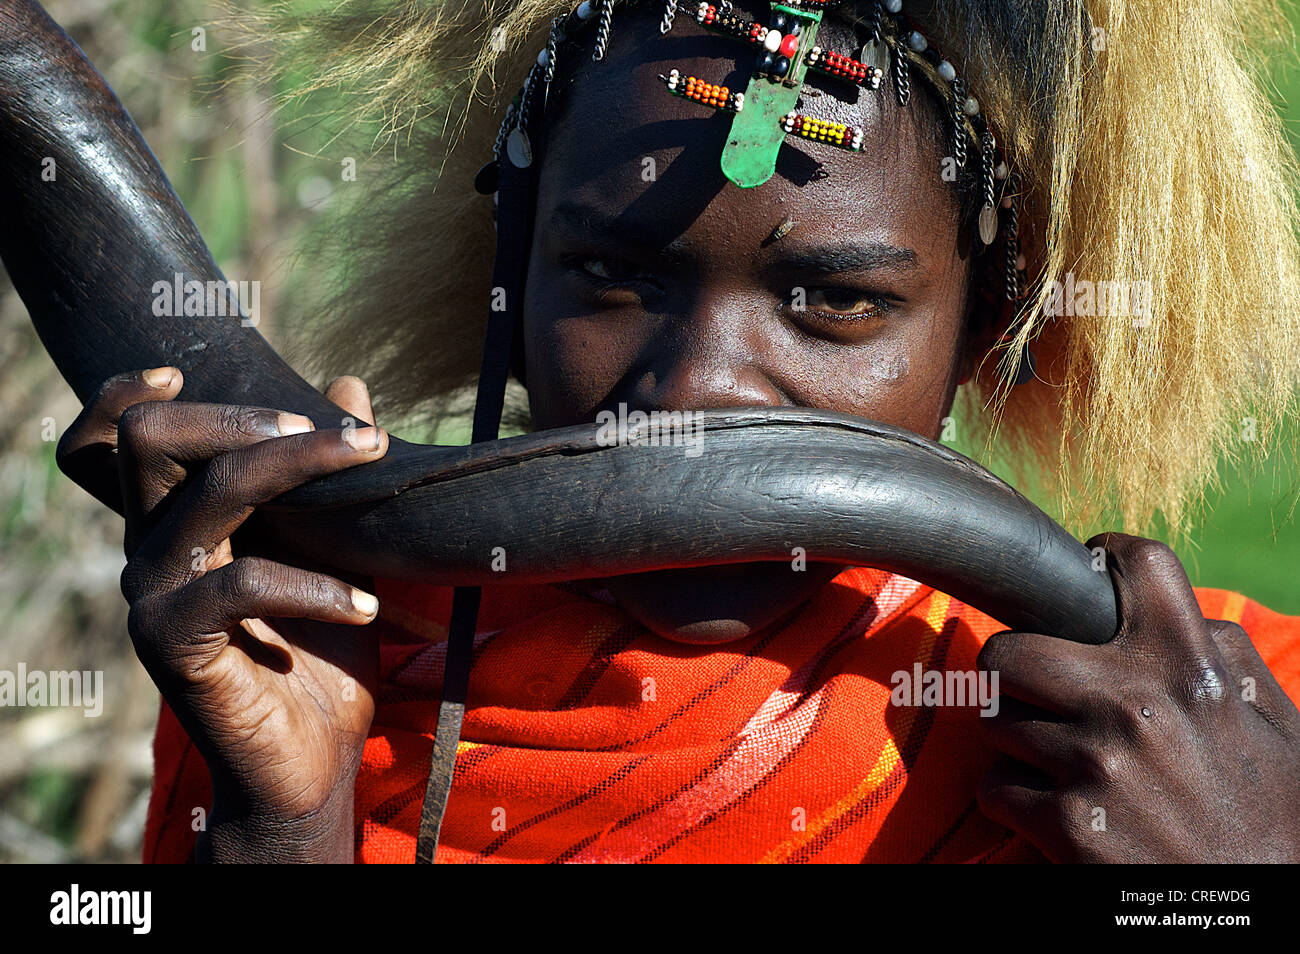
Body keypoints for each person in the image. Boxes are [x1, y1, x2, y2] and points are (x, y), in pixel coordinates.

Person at [55, 0, 1300, 862]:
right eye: (613, 274)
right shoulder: (321, 660)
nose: (694, 391)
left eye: (837, 303)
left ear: (986, 328)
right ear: (510, 270)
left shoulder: (1211, 732)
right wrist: (288, 825)